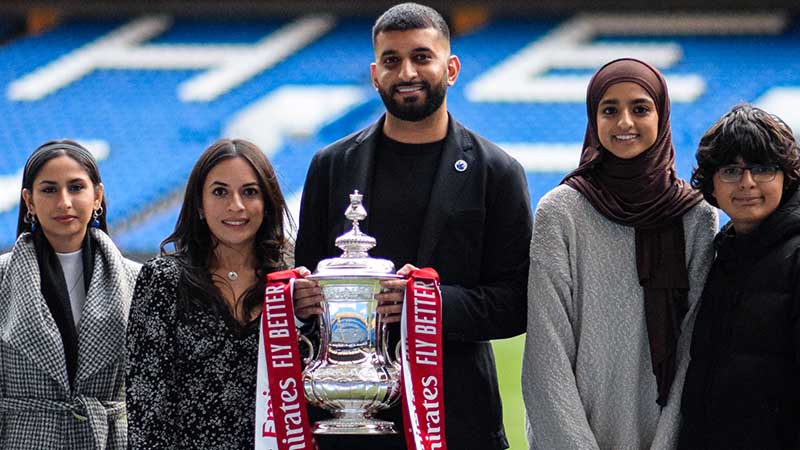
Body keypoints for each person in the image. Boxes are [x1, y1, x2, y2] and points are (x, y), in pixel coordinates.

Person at [292, 3, 533, 449]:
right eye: (391, 60)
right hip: (347, 420)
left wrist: (426, 305)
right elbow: (305, 285)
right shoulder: (330, 166)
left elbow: (516, 302)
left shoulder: (497, 171)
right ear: (374, 73)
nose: (406, 72)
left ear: (451, 67)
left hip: (457, 416)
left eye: (422, 57)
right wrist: (303, 299)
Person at [522, 58, 718, 450]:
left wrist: (667, 443)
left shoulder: (696, 216)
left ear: (661, 116)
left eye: (640, 108)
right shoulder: (561, 212)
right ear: (593, 120)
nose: (625, 122)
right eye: (609, 110)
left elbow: (694, 346)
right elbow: (547, 353)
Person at [125, 139, 302, 450]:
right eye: (220, 192)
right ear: (199, 205)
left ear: (268, 202)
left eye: (250, 192)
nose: (236, 206)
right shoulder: (163, 280)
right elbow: (145, 402)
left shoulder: (292, 285)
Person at [0, 140, 140, 449]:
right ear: (29, 201)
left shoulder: (138, 280)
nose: (64, 202)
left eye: (76, 188)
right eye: (49, 190)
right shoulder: (1, 277)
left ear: (97, 196)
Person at [678, 104, 800, 449]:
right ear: (711, 184)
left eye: (762, 169)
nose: (747, 183)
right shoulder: (724, 252)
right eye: (731, 170)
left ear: (786, 176)